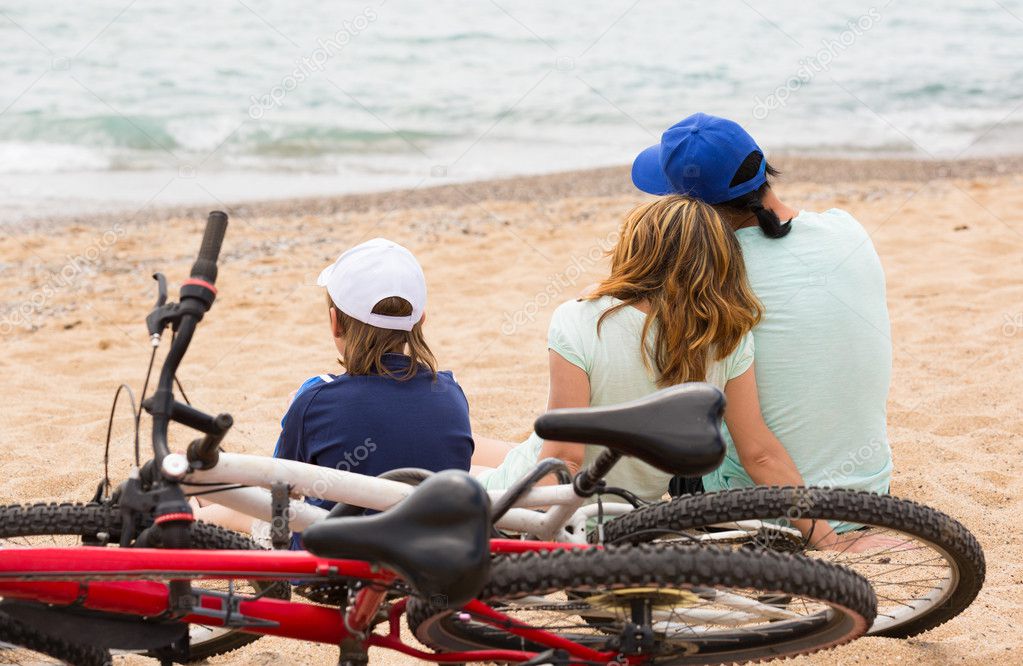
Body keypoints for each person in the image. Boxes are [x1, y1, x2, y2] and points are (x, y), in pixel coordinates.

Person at [475, 196, 840, 545]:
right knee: (487, 449)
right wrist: (826, 539)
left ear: (634, 250)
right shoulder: (728, 337)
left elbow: (566, 457)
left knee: (458, 460)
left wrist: (541, 537)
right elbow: (760, 452)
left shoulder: (580, 319)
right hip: (631, 518)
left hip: (542, 505)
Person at [630, 112, 893, 497]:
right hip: (868, 489)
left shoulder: (710, 279)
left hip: (759, 500)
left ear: (692, 208)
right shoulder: (847, 228)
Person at [197, 238, 475, 541]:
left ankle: (190, 514)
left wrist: (298, 410)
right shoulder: (451, 392)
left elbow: (280, 489)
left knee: (232, 501)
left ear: (334, 323)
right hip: (431, 556)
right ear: (420, 320)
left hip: (332, 567)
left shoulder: (316, 399)